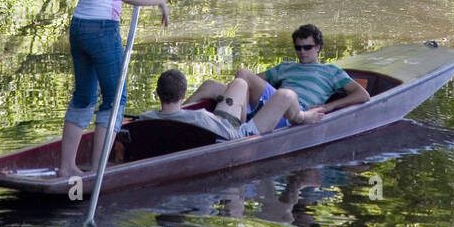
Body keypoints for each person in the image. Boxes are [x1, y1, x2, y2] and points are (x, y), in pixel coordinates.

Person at [59, 0, 170, 179]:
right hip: (102, 30)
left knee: (83, 98)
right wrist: (158, 1)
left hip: (79, 27)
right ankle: (97, 170)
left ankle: (66, 167)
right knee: (115, 99)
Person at [187, 23, 370, 122]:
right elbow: (249, 84)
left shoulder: (331, 71)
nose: (302, 52)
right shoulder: (285, 67)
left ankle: (237, 122)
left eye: (307, 47)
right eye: (298, 48)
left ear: (319, 47)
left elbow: (362, 94)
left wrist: (328, 108)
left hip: (292, 110)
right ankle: (176, 116)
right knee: (210, 85)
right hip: (265, 104)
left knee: (243, 73)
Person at [138, 68, 321, 141]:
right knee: (285, 95)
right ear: (183, 93)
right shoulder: (200, 116)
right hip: (236, 134)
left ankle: (244, 100)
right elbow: (224, 126)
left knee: (236, 83)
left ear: (158, 94)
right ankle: (303, 116)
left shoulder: (145, 119)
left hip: (213, 126)